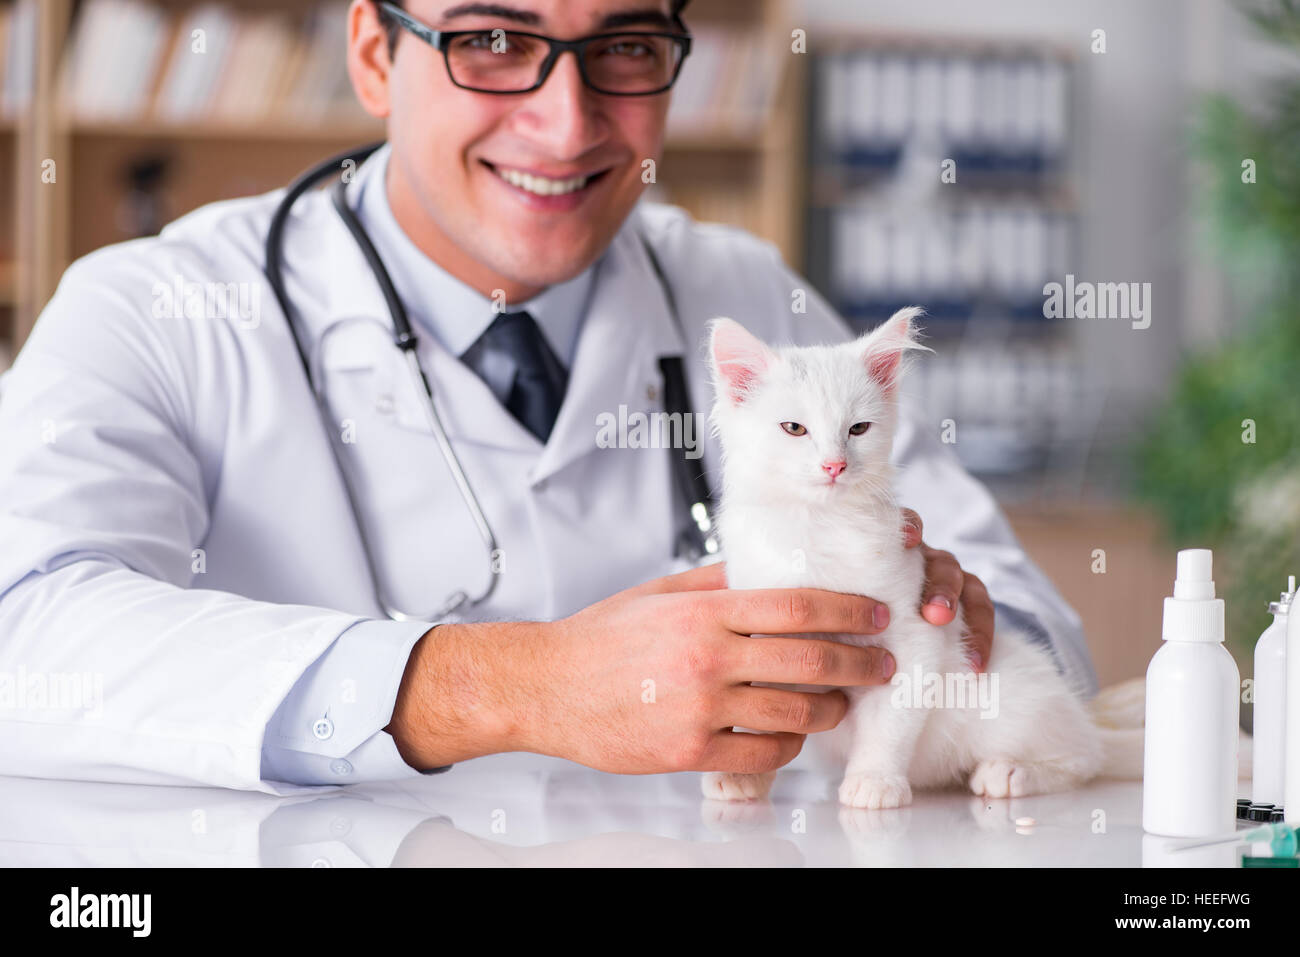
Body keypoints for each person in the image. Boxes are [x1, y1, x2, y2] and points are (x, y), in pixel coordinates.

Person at [0, 0, 1097, 792]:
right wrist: (494, 685)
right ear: (375, 53)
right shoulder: (150, 307)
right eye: (492, 39)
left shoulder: (740, 292)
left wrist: (962, 640)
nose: (567, 124)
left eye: (622, 45)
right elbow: (25, 634)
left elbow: (1016, 594)